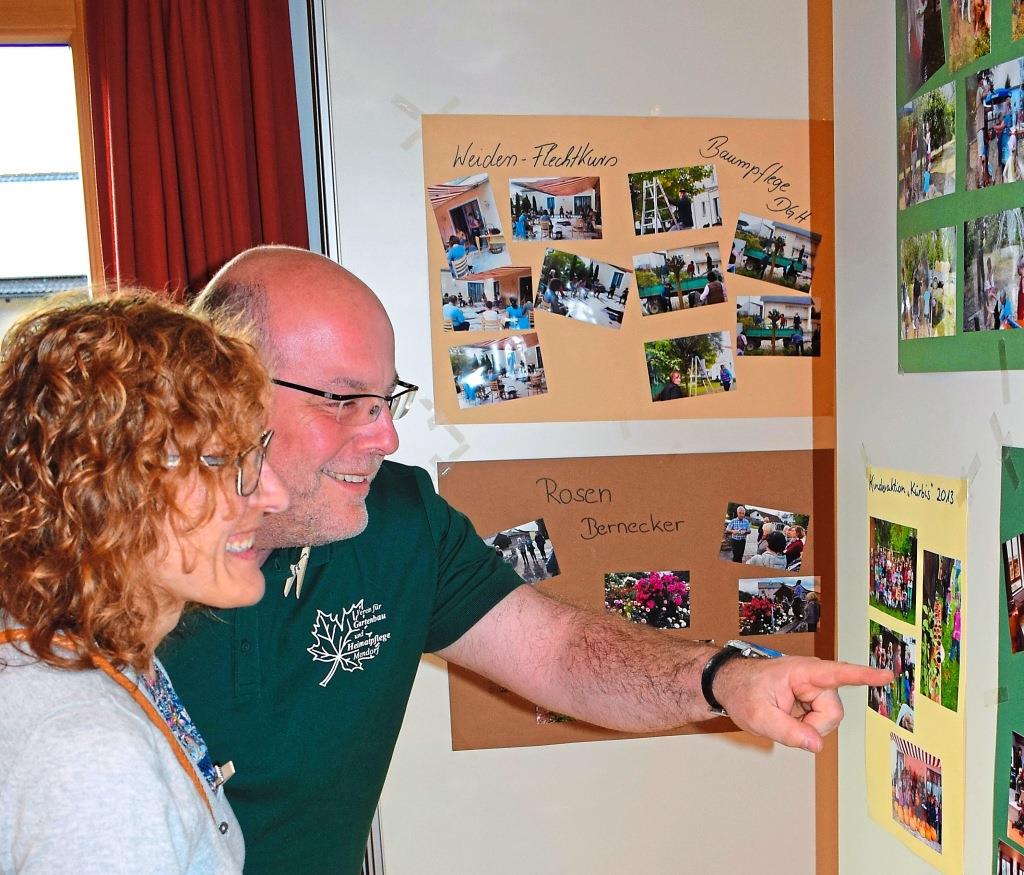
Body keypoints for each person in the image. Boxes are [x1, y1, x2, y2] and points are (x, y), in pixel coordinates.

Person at [160, 246, 890, 875]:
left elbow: (560, 653)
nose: (383, 437)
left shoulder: (400, 518)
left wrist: (725, 675)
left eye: (386, 400)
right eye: (347, 400)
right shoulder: (105, 567)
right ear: (223, 391)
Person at [0, 292, 289, 872]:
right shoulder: (90, 752)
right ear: (100, 487)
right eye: (216, 460)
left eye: (253, 452)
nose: (274, 494)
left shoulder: (72, 652)